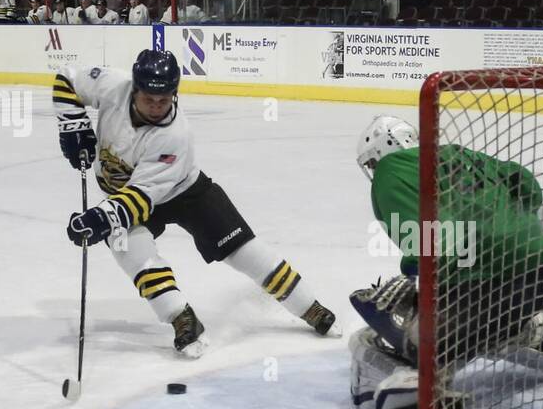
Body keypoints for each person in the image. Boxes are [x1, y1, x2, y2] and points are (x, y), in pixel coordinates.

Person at [347, 115, 543, 409]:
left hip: (480, 284)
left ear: (385, 148)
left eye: (372, 162)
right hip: (537, 276)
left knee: (410, 335)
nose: (374, 169)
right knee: (489, 320)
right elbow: (526, 182)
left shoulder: (390, 171)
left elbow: (431, 241)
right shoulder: (459, 155)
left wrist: (415, 284)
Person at [56, 49, 340, 357]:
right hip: (126, 195)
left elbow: (140, 197)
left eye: (164, 99)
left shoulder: (175, 136)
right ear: (134, 89)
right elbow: (66, 80)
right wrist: (73, 124)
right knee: (134, 253)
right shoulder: (112, 84)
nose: (156, 106)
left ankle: (309, 306)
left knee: (245, 252)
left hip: (183, 192)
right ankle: (182, 317)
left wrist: (99, 219)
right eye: (149, 99)